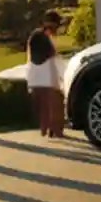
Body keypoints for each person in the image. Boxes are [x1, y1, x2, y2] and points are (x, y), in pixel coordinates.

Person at [25, 9, 65, 138]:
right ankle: (55, 130)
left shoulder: (34, 36)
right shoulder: (44, 37)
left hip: (35, 75)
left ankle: (45, 129)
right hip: (46, 75)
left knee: (43, 105)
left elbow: (32, 57)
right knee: (54, 102)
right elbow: (50, 56)